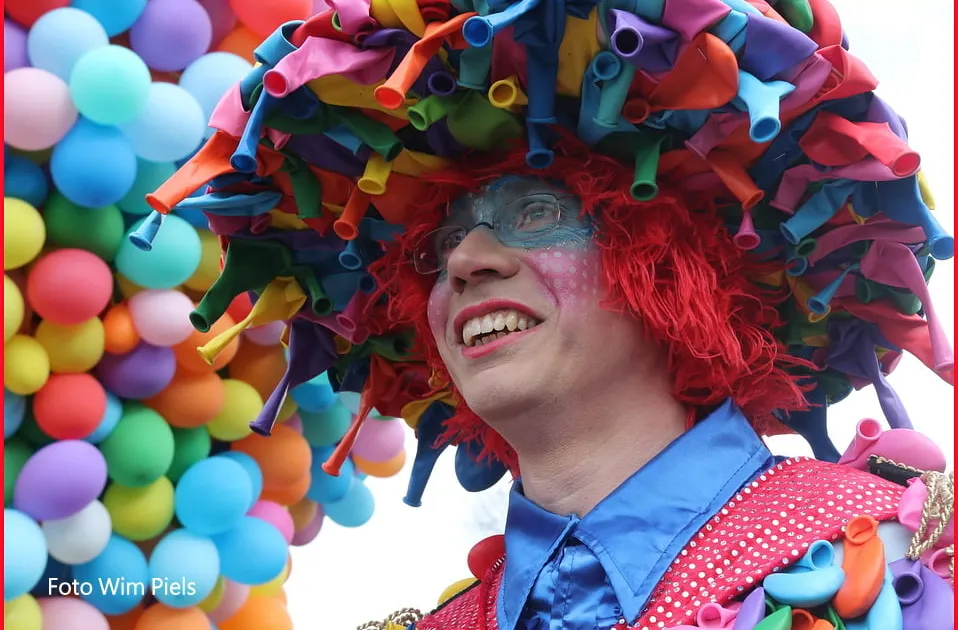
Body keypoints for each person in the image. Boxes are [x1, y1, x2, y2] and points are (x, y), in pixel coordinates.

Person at [141, 0, 955, 627]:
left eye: (534, 215)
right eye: (439, 247)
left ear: (668, 268)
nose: (464, 261)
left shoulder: (894, 553)